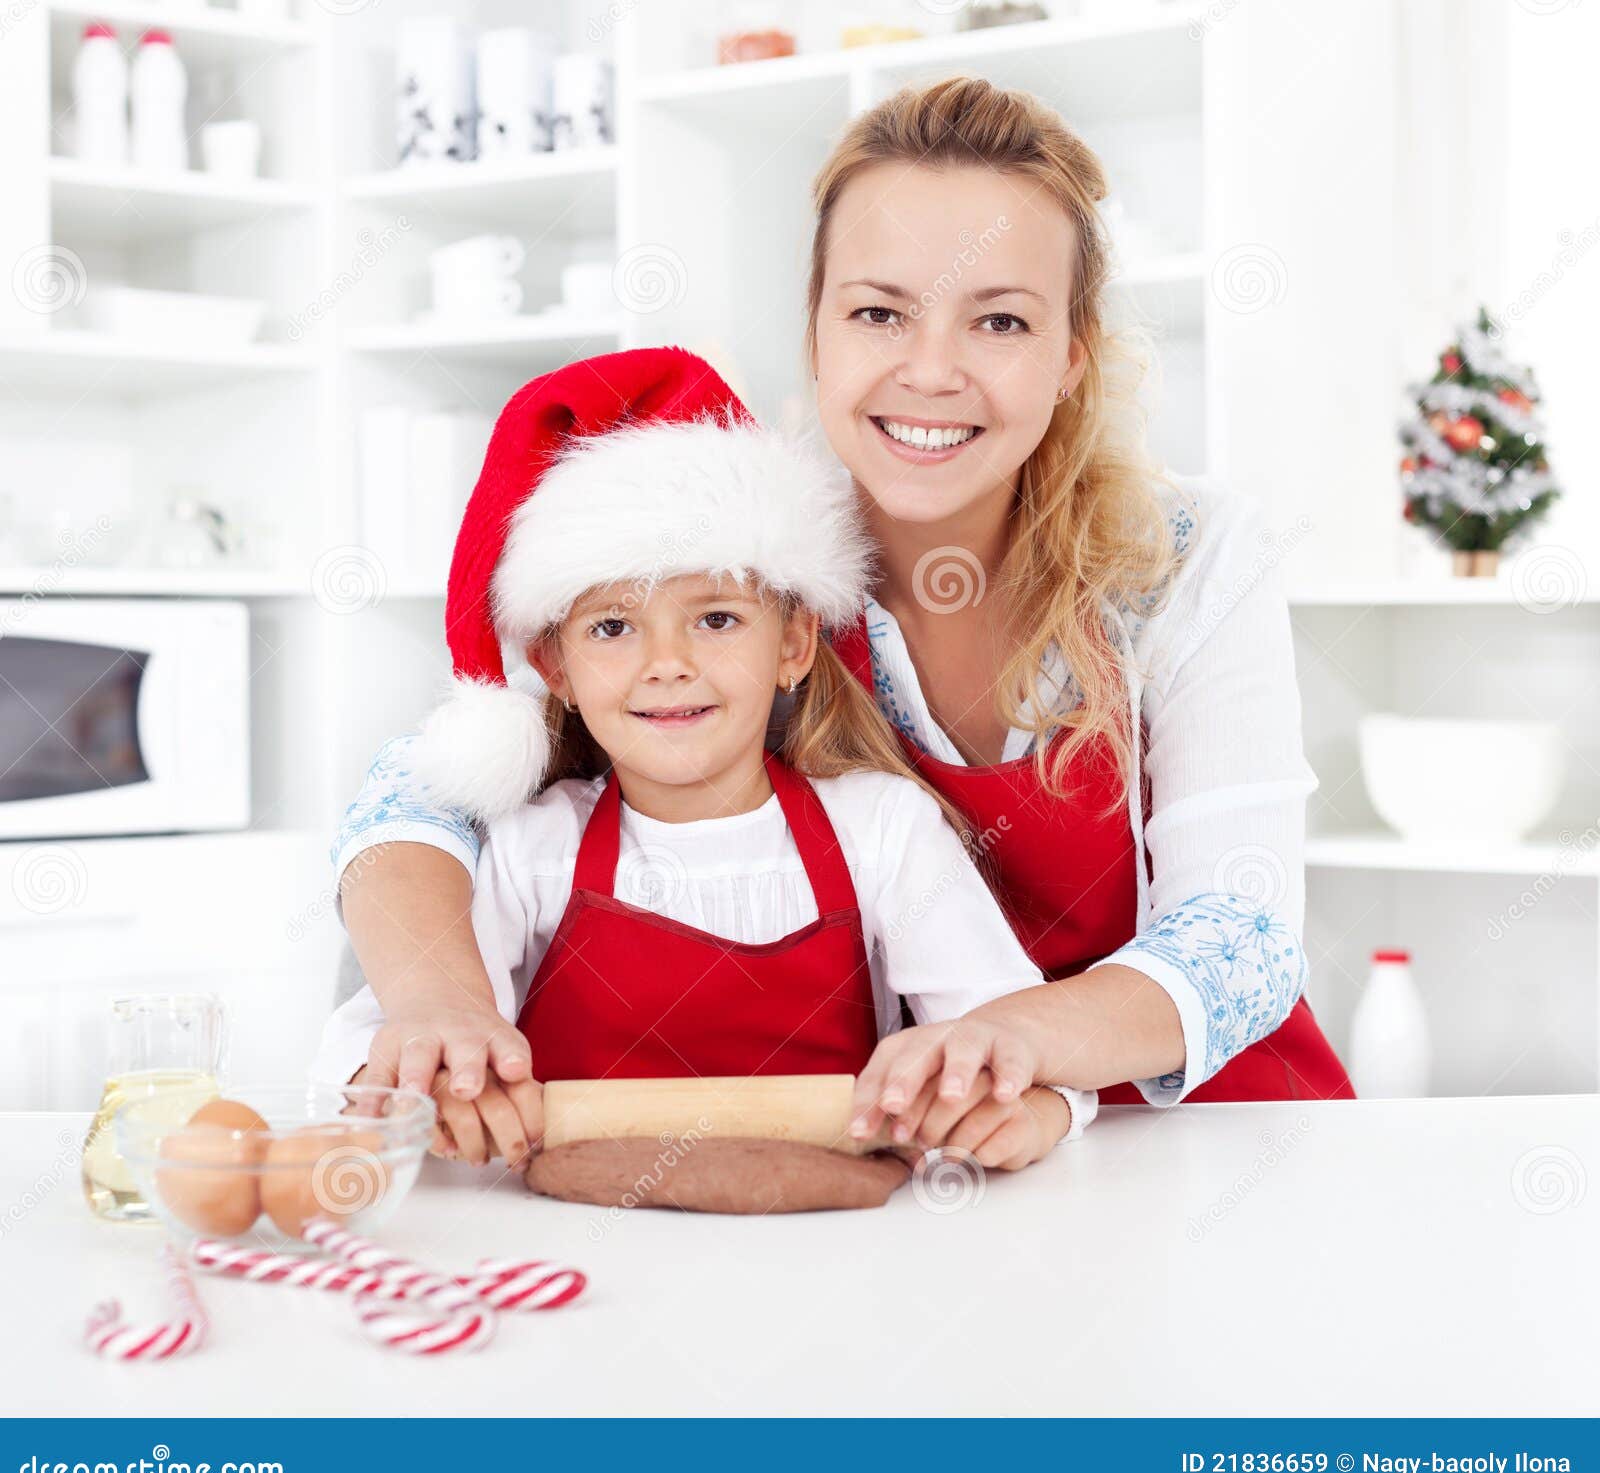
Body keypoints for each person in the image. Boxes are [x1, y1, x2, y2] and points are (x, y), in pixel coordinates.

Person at [331, 76, 1353, 1170]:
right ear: (816, 332)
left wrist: (1010, 1040)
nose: (928, 369)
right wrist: (441, 1001)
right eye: (878, 311)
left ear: (1070, 357)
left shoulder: (1187, 558)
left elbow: (1241, 939)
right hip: (930, 1162)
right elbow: (420, 790)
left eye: (999, 319)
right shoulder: (730, 549)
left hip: (1217, 1143)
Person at [310, 346, 1095, 1172]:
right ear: (556, 670)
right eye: (612, 628)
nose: (667, 664)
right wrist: (422, 1079)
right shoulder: (534, 848)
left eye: (716, 619)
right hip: (578, 1249)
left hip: (838, 1254)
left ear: (793, 642)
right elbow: (368, 1048)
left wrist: (1034, 1109)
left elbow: (1009, 1032)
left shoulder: (882, 830)